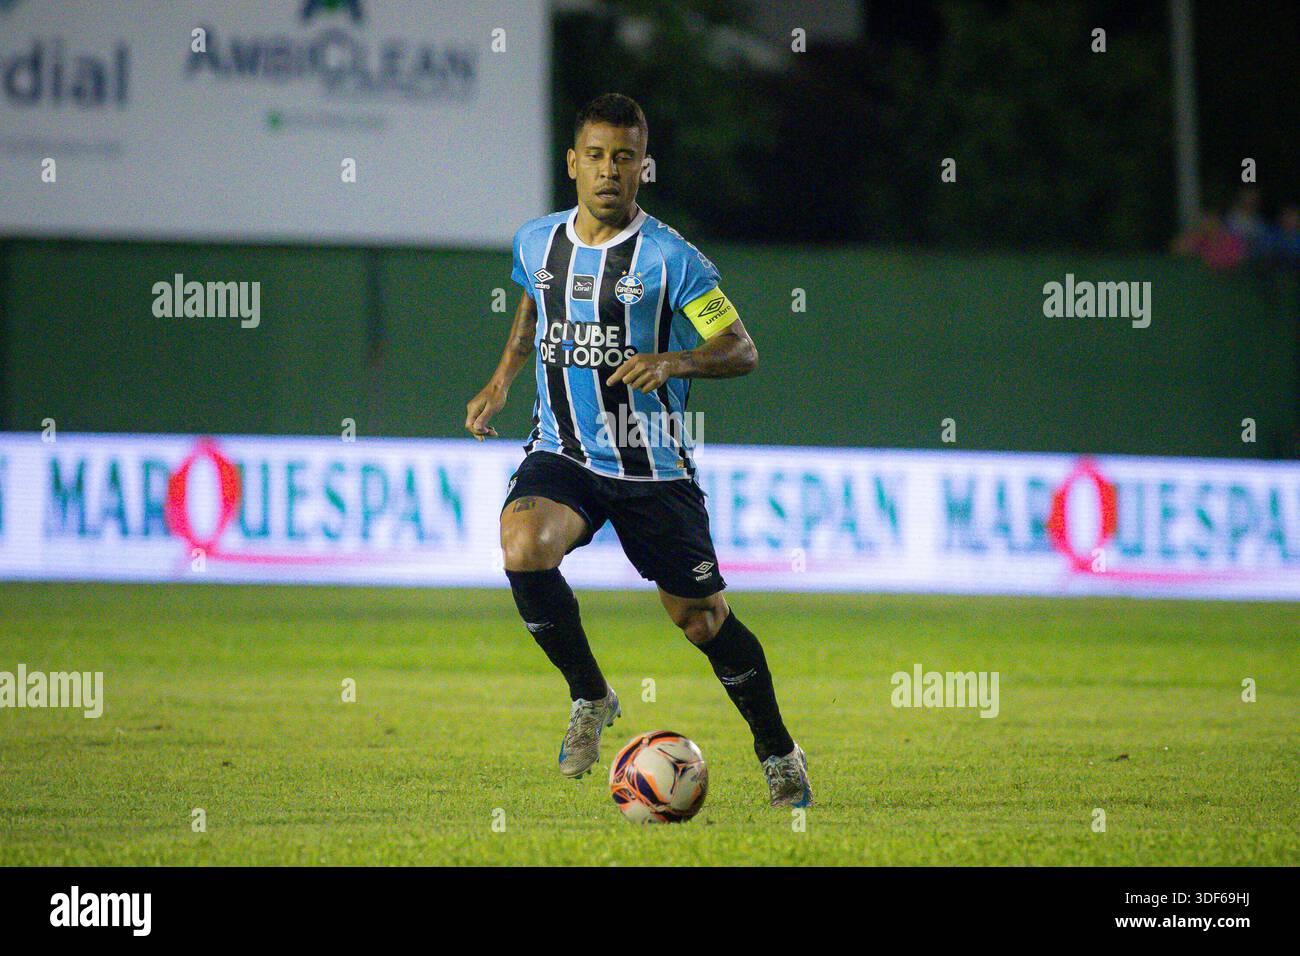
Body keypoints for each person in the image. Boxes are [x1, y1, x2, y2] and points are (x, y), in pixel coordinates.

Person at [464, 93, 812, 807]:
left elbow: (741, 348)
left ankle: (777, 750)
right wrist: (501, 380)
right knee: (522, 544)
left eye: (624, 157)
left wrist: (673, 363)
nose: (609, 171)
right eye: (595, 156)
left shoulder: (671, 258)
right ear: (572, 163)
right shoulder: (536, 242)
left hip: (649, 463)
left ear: (643, 167)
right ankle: (590, 696)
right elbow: (534, 303)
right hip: (564, 452)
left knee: (701, 621)